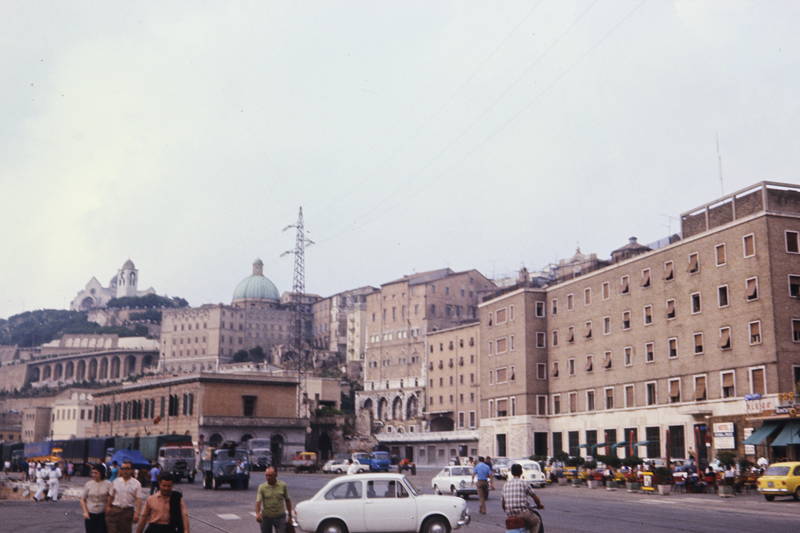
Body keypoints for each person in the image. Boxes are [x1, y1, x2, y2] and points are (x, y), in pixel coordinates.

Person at [501, 463, 544, 533]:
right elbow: (534, 497)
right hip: (523, 513)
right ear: (521, 472)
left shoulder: (505, 485)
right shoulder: (524, 483)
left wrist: (507, 509)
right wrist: (539, 505)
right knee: (536, 521)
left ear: (511, 473)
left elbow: (503, 503)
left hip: (510, 514)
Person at [106, 460, 142, 533]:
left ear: (131, 470)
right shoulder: (116, 481)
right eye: (123, 469)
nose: (125, 471)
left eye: (127, 469)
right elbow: (111, 496)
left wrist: (137, 513)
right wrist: (108, 507)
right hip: (115, 510)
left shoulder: (136, 484)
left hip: (127, 512)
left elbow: (138, 500)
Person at [255, 467, 292, 533]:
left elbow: (287, 500)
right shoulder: (262, 487)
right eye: (266, 475)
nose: (268, 477)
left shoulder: (283, 485)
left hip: (280, 517)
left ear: (276, 475)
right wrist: (257, 514)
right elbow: (258, 501)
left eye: (270, 475)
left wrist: (290, 516)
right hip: (266, 517)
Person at [81, 464, 112, 533]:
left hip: (102, 514)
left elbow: (111, 496)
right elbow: (82, 499)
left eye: (96, 473)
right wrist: (85, 512)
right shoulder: (88, 484)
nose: (93, 475)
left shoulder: (108, 484)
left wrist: (108, 506)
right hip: (90, 513)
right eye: (92, 473)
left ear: (102, 473)